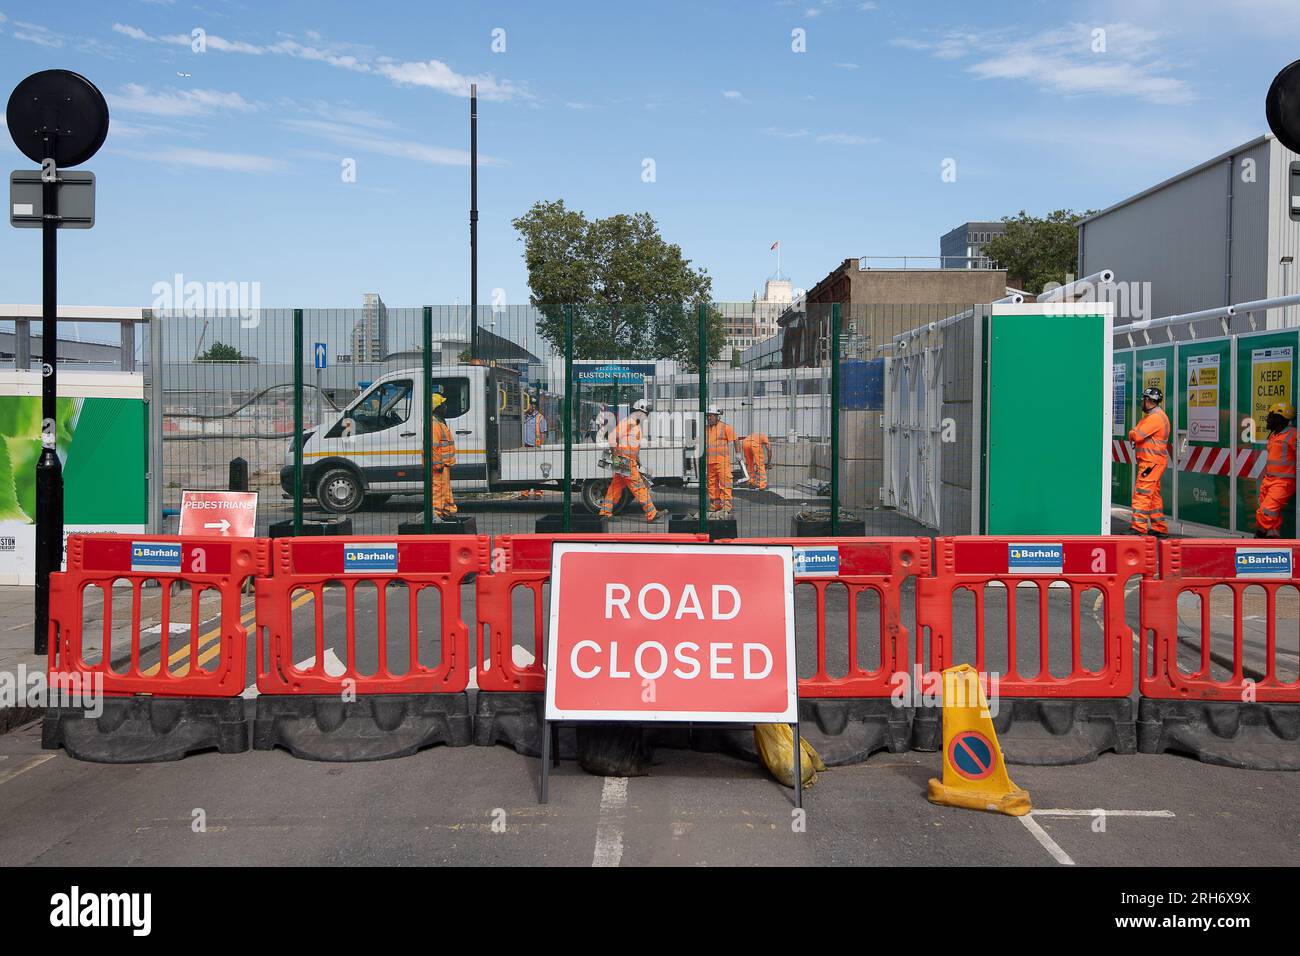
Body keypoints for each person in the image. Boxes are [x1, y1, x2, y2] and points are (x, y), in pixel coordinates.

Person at [598, 399, 660, 522]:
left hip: (626, 461)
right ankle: (652, 514)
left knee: (615, 487)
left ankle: (605, 512)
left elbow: (632, 446)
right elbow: (611, 437)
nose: (645, 417)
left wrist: (637, 460)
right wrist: (616, 456)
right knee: (639, 487)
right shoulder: (629, 423)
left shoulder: (634, 425)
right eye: (644, 414)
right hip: (625, 462)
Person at [1128, 385, 1170, 536]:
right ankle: (1160, 528)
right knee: (1153, 497)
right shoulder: (1152, 417)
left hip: (1151, 463)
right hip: (1152, 462)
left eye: (1143, 399)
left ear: (1148, 400)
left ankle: (1138, 527)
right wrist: (1134, 432)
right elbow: (1137, 432)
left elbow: (1136, 434)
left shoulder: (1155, 418)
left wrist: (1132, 433)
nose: (1142, 402)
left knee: (1142, 493)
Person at [1255, 401, 1296, 538]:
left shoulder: (1293, 435)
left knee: (1266, 512)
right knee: (1271, 512)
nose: (1267, 418)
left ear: (1279, 418)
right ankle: (1272, 537)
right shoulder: (1274, 435)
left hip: (1283, 482)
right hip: (1269, 480)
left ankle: (1260, 534)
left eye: (1270, 415)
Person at [705, 405, 739, 513]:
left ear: (717, 416)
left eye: (710, 416)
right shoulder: (705, 429)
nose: (708, 418)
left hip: (722, 462)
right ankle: (716, 505)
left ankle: (726, 506)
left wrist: (738, 453)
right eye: (707, 416)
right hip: (710, 463)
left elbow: (735, 440)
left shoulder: (725, 427)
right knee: (712, 485)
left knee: (725, 483)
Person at [430, 392, 458, 519]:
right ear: (437, 408)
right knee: (438, 490)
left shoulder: (439, 422)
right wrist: (437, 464)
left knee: (445, 489)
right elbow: (433, 447)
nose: (445, 407)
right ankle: (436, 515)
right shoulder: (435, 424)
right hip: (439, 465)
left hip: (443, 464)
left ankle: (448, 511)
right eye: (443, 404)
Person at [519, 395, 548, 499]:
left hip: (536, 447)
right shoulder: (524, 416)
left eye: (528, 405)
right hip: (524, 447)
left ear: (533, 406)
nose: (526, 407)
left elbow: (543, 433)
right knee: (524, 470)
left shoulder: (540, 417)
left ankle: (538, 492)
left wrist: (541, 447)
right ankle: (524, 493)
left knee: (536, 470)